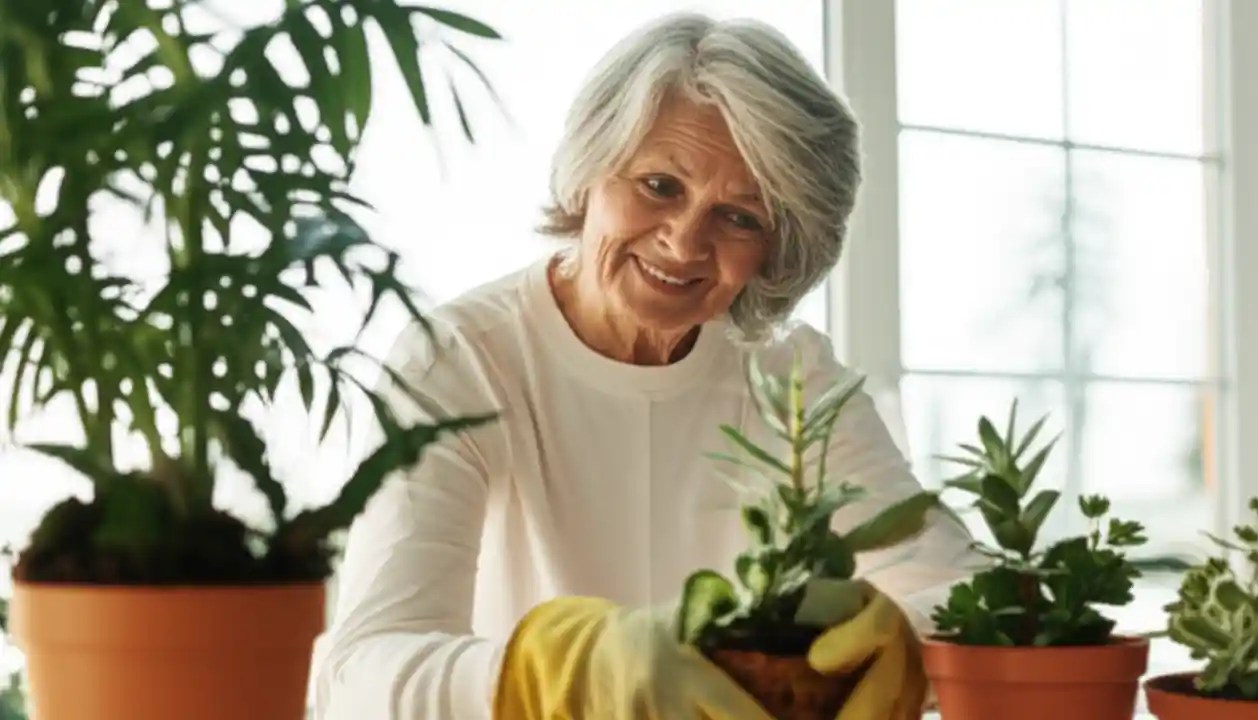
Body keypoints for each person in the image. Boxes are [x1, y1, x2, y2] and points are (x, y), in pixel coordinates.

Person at [310, 12, 974, 720]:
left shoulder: (791, 373)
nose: (685, 243)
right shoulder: (462, 359)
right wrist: (571, 669)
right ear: (592, 168)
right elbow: (364, 675)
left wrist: (893, 636)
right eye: (660, 185)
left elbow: (962, 593)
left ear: (781, 248)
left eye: (741, 218)